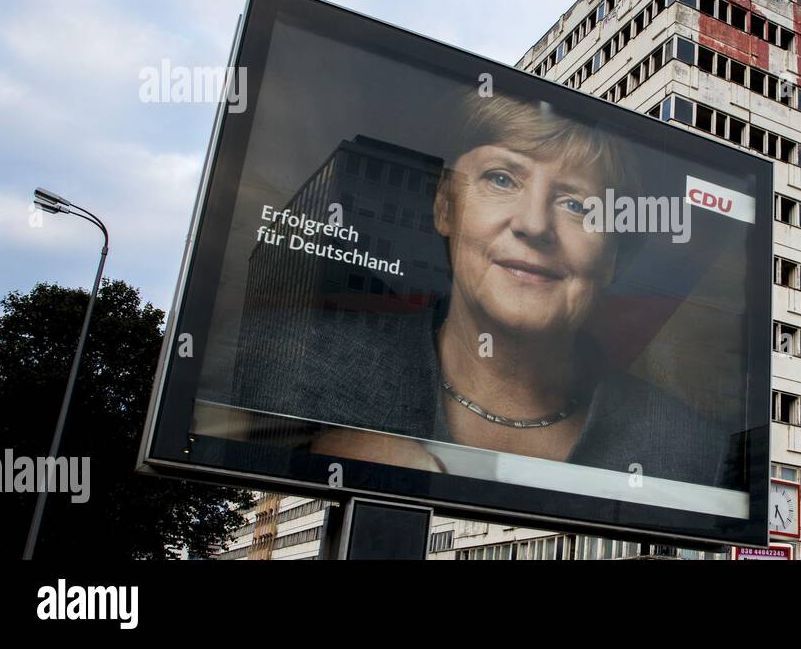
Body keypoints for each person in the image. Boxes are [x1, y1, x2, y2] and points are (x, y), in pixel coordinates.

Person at [296, 91, 734, 487]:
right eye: (502, 179)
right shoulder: (298, 369)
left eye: (577, 205)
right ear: (445, 206)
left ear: (612, 259)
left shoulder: (692, 452)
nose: (534, 225)